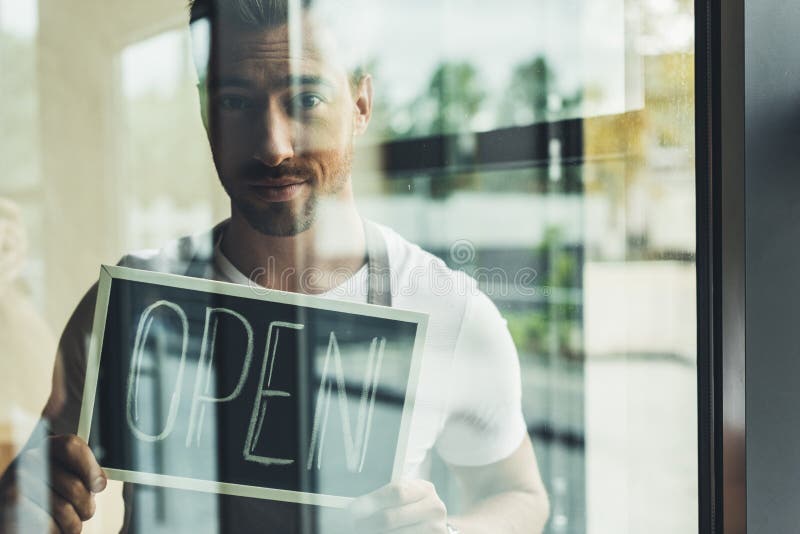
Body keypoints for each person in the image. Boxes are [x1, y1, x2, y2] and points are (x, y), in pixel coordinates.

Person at [0, 0, 550, 532]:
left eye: (306, 100)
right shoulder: (128, 303)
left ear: (361, 105)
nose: (272, 146)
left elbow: (518, 493)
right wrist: (24, 503)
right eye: (236, 102)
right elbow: (39, 487)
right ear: (204, 110)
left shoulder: (447, 310)